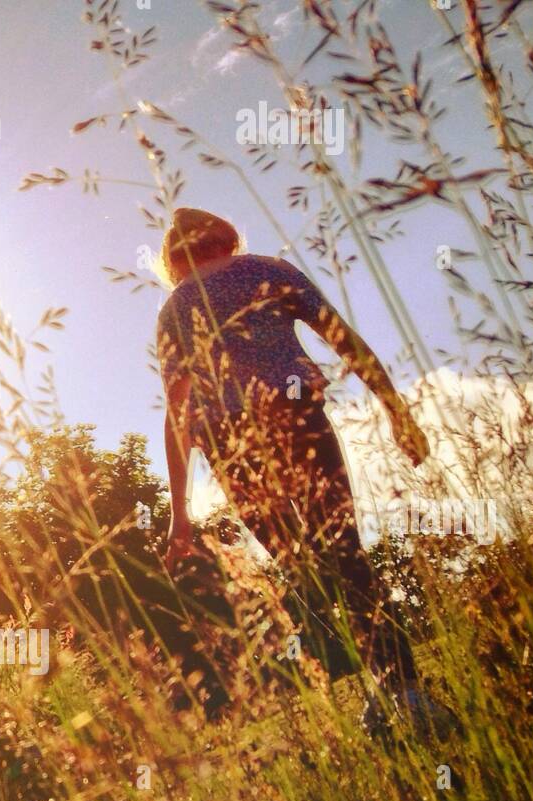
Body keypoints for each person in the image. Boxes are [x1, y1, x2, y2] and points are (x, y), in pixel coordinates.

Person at [155, 207, 434, 715]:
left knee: (300, 567)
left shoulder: (175, 307)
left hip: (231, 445)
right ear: (226, 236)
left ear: (173, 258)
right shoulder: (268, 269)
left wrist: (181, 516)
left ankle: (361, 679)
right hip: (296, 420)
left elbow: (178, 417)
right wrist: (398, 412)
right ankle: (401, 692)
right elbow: (344, 340)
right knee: (345, 553)